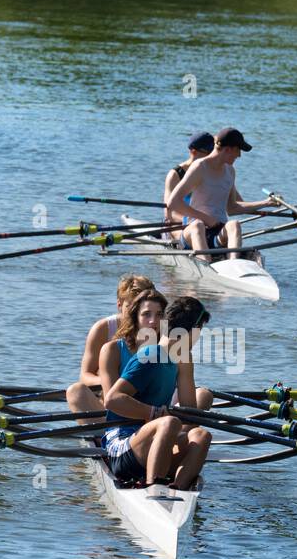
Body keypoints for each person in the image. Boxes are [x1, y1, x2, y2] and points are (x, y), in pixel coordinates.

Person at [102, 296, 213, 490]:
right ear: (192, 332)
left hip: (154, 439)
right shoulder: (149, 356)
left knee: (201, 435)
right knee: (169, 422)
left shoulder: (183, 360)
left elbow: (190, 416)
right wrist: (153, 413)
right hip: (122, 446)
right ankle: (154, 486)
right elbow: (112, 400)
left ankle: (177, 489)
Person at [165, 127, 277, 262]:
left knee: (234, 224)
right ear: (227, 149)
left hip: (217, 234)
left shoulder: (230, 171)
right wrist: (207, 219)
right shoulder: (200, 167)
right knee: (198, 225)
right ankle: (206, 265)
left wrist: (266, 203)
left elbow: (232, 208)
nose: (239, 155)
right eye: (238, 150)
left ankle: (234, 265)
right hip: (193, 233)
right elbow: (173, 202)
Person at [67, 274, 156, 420]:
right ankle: (103, 435)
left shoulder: (161, 329)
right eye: (131, 307)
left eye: (142, 308)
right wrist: (115, 383)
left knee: (202, 394)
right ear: (119, 305)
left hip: (151, 402)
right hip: (112, 402)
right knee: (76, 391)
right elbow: (85, 376)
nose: (137, 314)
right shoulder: (103, 329)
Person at [163, 131, 215, 242]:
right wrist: (194, 221)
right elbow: (169, 213)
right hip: (176, 225)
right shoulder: (175, 175)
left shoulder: (210, 171)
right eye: (208, 153)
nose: (212, 157)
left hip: (202, 223)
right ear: (193, 151)